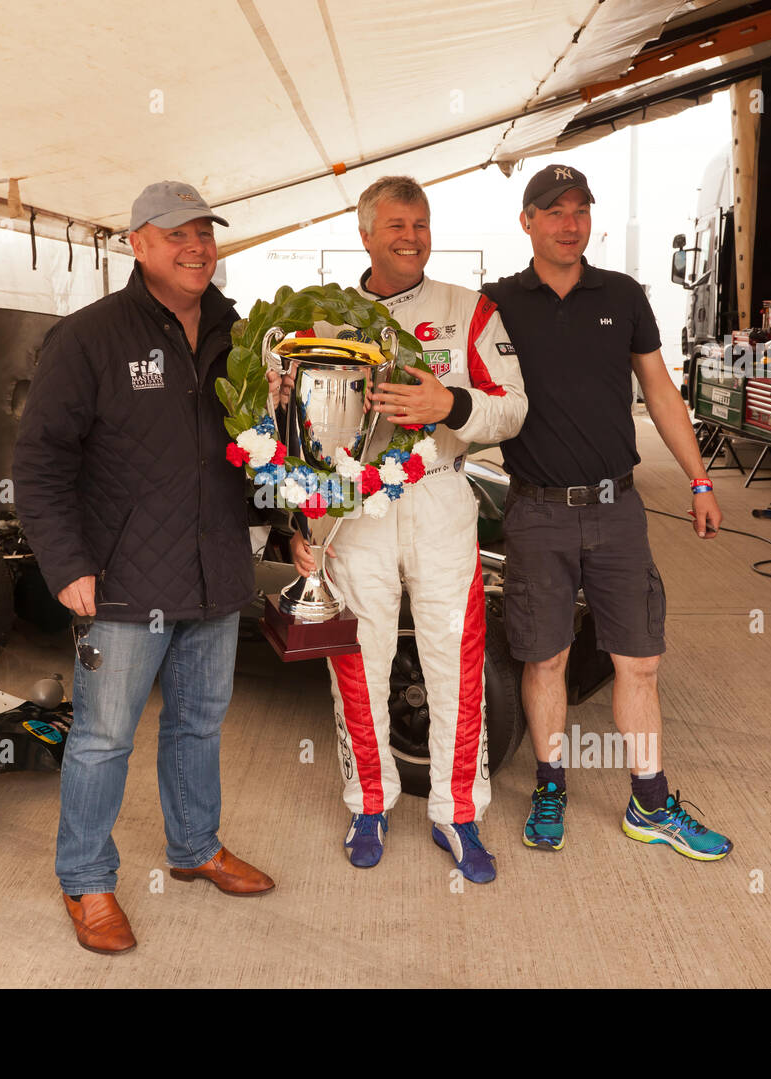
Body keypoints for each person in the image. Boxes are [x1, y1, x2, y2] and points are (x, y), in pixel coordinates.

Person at [13, 180, 274, 957]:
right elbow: (39, 461)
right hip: (123, 580)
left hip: (215, 570)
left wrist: (288, 518)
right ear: (138, 243)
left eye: (204, 233)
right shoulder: (88, 337)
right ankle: (86, 877)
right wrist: (66, 563)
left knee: (199, 723)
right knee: (102, 736)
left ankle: (195, 846)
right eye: (176, 234)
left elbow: (259, 447)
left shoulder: (242, 335)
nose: (196, 247)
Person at [482, 163, 732, 861]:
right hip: (536, 512)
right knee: (545, 659)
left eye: (580, 209)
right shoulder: (496, 302)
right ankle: (550, 787)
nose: (570, 224)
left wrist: (700, 479)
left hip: (617, 509)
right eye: (554, 211)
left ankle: (650, 803)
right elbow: (460, 387)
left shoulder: (622, 294)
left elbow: (660, 390)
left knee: (639, 659)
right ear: (527, 221)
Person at [288, 176, 526, 882]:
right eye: (396, 225)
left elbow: (514, 408)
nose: (411, 237)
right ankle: (369, 803)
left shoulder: (468, 308)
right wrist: (304, 520)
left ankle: (458, 813)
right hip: (356, 512)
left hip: (441, 498)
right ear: (365, 234)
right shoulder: (323, 320)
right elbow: (295, 430)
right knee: (359, 663)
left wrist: (450, 404)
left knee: (455, 662)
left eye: (420, 224)